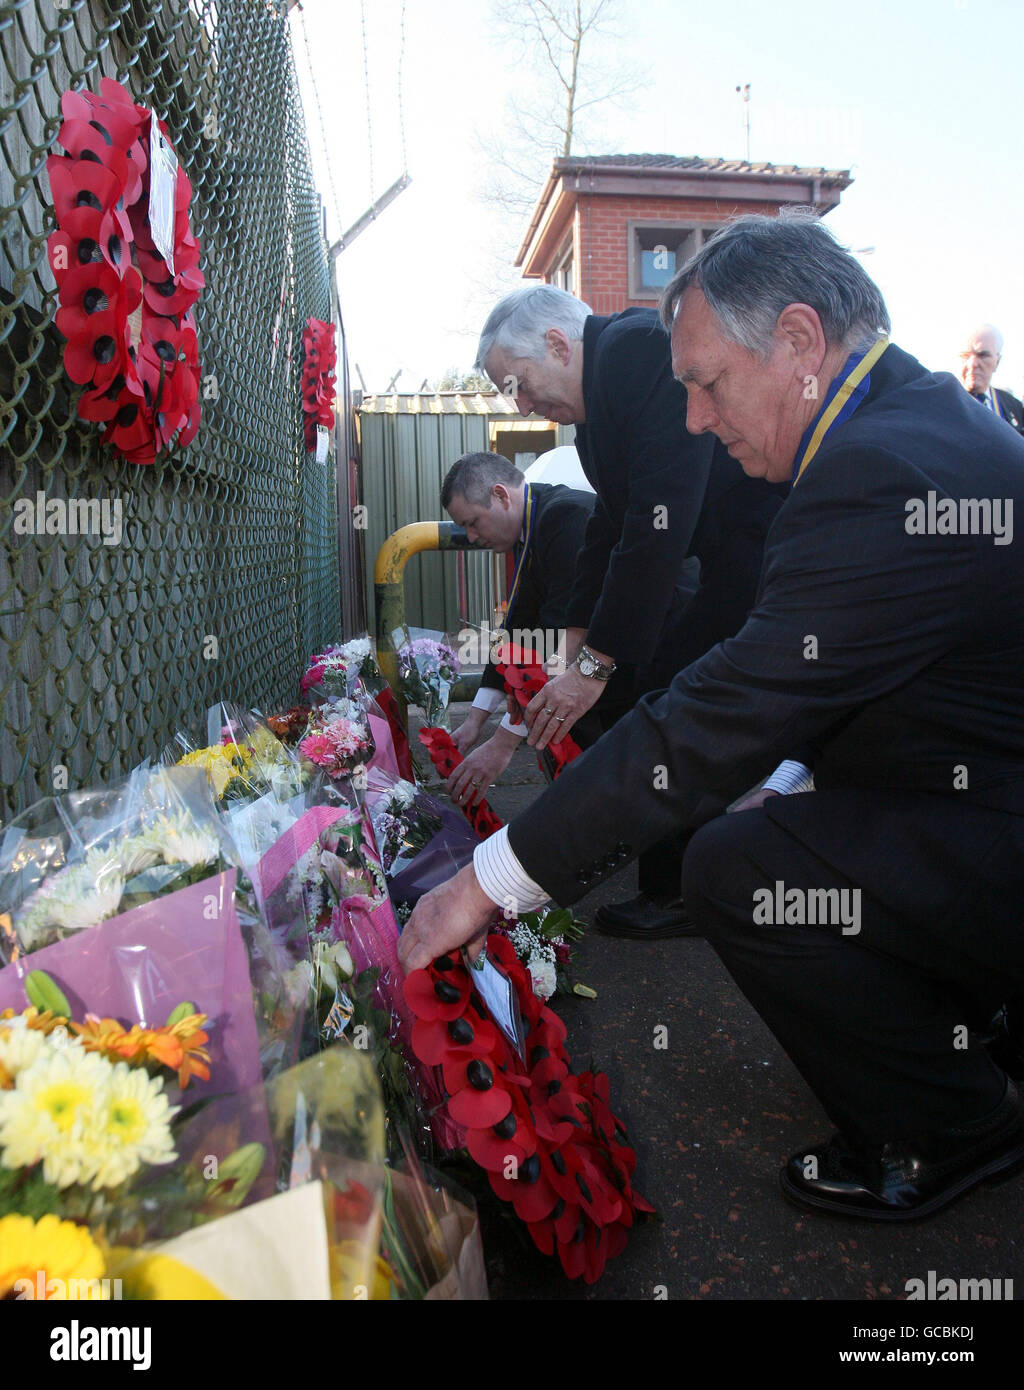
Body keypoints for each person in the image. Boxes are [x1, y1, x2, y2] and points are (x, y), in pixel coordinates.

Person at [399, 210, 1024, 1223]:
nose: (692, 419)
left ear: (796, 342)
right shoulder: (903, 429)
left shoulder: (880, 472)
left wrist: (487, 879)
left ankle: (948, 1123)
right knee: (772, 814)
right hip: (980, 787)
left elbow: (714, 716)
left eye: (705, 383)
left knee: (737, 866)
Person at [474, 285, 786, 938]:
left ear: (559, 344)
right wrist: (575, 650)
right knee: (653, 695)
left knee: (669, 697)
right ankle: (672, 874)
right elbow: (607, 533)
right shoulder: (598, 411)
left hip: (762, 550)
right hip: (730, 557)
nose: (522, 405)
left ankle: (682, 891)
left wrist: (591, 667)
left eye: (520, 384)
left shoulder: (638, 350)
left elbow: (655, 527)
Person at [442, 452, 595, 803]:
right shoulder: (535, 519)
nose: (470, 536)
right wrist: (474, 722)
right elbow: (517, 630)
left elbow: (557, 643)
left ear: (500, 495)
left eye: (473, 522)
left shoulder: (564, 516)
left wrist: (503, 742)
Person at [958, 324, 1024, 434]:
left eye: (983, 355)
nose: (973, 364)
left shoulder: (1014, 407)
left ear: (997, 361)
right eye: (966, 355)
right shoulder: (942, 404)